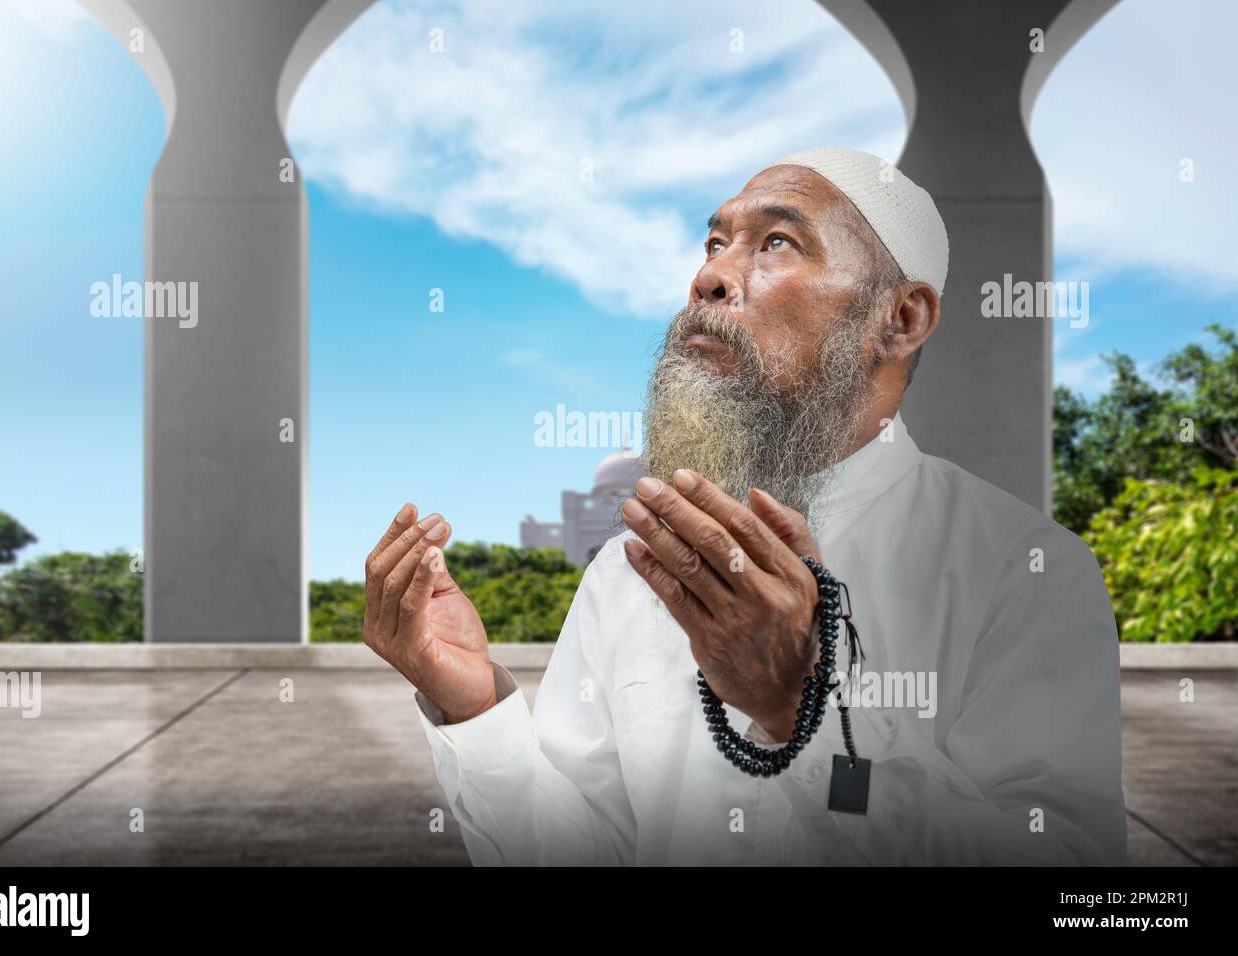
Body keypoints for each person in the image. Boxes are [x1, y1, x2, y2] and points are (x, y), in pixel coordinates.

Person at [361, 147, 1128, 865]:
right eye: (713, 244)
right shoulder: (631, 569)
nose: (712, 278)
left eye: (777, 245)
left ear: (900, 319)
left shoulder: (1022, 571)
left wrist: (804, 713)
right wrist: (475, 711)